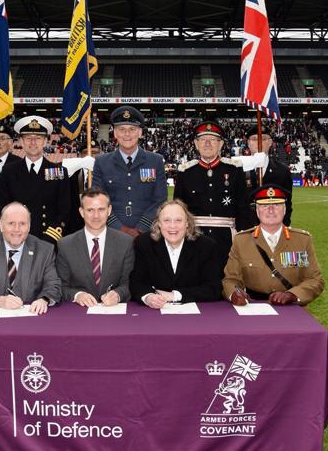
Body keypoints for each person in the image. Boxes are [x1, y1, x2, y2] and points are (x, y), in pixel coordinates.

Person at [222, 185, 325, 307]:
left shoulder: (302, 240)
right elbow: (230, 279)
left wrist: (292, 295)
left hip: (291, 309)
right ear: (257, 211)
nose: (270, 210)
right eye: (264, 205)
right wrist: (234, 294)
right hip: (253, 308)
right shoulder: (242, 241)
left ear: (285, 209)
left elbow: (315, 280)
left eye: (277, 205)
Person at [0, 202, 62, 313]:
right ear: (1, 225)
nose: (17, 229)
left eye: (22, 223)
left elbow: (54, 285)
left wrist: (44, 299)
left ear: (29, 226)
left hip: (32, 318)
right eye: (11, 223)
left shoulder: (45, 250)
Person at [173, 121, 252, 253]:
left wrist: (243, 240)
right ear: (196, 144)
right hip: (194, 238)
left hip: (226, 240)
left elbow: (243, 208)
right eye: (203, 139)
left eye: (212, 139)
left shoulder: (234, 170)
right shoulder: (185, 172)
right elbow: (178, 209)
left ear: (221, 144)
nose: (207, 143)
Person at [130, 199, 224, 307]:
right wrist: (148, 297)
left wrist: (175, 296)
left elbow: (214, 288)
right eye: (166, 220)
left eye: (178, 220)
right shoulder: (144, 243)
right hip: (154, 315)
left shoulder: (206, 246)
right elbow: (136, 282)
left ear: (187, 223)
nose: (172, 226)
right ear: (158, 223)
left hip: (196, 315)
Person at [91, 106, 167, 238]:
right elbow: (98, 200)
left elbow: (160, 199)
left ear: (140, 132)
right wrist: (120, 228)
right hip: (111, 234)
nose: (127, 134)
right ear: (114, 133)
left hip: (148, 234)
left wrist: (141, 228)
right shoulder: (101, 162)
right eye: (122, 129)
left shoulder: (155, 161)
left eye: (132, 129)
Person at [0, 116, 71, 244]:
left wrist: (49, 238)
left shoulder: (59, 172)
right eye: (28, 138)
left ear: (46, 141)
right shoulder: (9, 171)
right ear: (21, 141)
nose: (33, 142)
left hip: (49, 241)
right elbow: (2, 207)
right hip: (17, 239)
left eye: (38, 138)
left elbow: (65, 210)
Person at [56, 188, 135, 306]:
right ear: (81, 212)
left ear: (109, 210)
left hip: (113, 312)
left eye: (101, 209)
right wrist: (77, 295)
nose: (96, 216)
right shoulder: (65, 245)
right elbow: (61, 286)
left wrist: (118, 294)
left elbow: (129, 283)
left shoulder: (125, 242)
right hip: (79, 314)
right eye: (90, 210)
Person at [242, 127, 294, 225]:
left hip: (273, 229)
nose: (259, 142)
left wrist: (284, 228)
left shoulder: (282, 171)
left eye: (264, 138)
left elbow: (287, 204)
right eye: (254, 139)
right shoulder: (238, 169)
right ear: (248, 143)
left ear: (270, 142)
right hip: (245, 230)